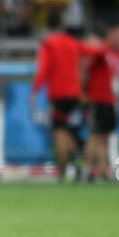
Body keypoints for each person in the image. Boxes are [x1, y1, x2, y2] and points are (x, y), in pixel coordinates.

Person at [32, 11, 85, 179]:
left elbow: (44, 69)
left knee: (59, 131)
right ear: (62, 25)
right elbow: (89, 53)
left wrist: (35, 90)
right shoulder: (72, 42)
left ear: (46, 26)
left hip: (58, 95)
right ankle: (78, 161)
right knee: (71, 130)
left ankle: (63, 171)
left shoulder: (47, 44)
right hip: (75, 94)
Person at [83, 25, 119, 181]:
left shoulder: (115, 53)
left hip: (110, 100)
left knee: (105, 136)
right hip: (98, 99)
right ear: (109, 35)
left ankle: (103, 169)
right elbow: (85, 67)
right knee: (95, 135)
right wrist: (84, 93)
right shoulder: (100, 51)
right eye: (118, 36)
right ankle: (87, 169)